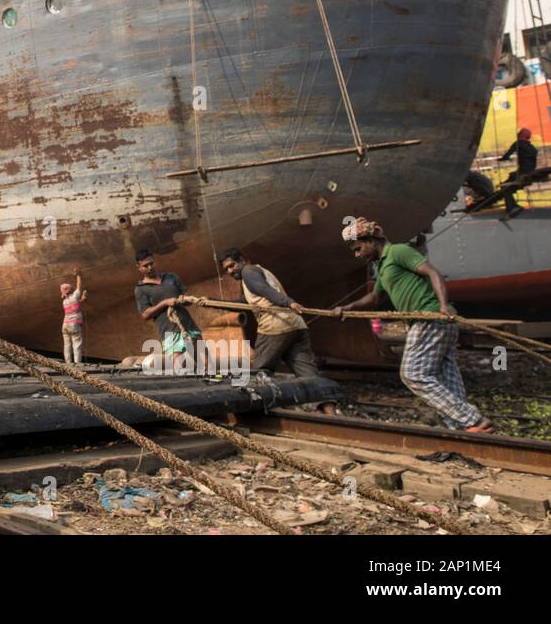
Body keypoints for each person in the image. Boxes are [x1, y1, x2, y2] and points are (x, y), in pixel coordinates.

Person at [335, 218, 493, 433]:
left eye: (358, 247)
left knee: (413, 375)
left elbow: (433, 273)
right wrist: (348, 307)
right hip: (436, 322)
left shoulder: (399, 251)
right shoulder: (381, 265)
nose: (357, 253)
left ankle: (473, 419)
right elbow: (375, 297)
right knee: (444, 379)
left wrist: (443, 305)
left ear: (371, 240)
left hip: (429, 318)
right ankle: (464, 428)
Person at [218, 247, 335, 414]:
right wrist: (209, 301)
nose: (230, 271)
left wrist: (288, 302)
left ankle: (263, 413)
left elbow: (264, 290)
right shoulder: (258, 272)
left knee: (259, 372)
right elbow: (242, 303)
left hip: (275, 326)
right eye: (226, 269)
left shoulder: (249, 272)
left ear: (242, 260)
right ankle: (331, 414)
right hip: (296, 325)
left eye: (232, 265)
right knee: (309, 374)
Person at [133, 249, 201, 370]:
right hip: (169, 332)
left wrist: (183, 299)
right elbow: (145, 314)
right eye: (145, 266)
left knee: (205, 363)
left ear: (155, 262)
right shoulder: (141, 289)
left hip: (189, 326)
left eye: (151, 263)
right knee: (179, 367)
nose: (150, 267)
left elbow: (186, 297)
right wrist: (164, 303)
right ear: (138, 267)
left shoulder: (171, 277)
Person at [499, 128, 538, 216]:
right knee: (509, 186)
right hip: (530, 173)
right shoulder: (532, 148)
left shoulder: (518, 144)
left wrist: (501, 159)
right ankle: (514, 205)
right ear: (528, 137)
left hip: (522, 173)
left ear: (520, 135)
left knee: (505, 187)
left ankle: (511, 208)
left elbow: (507, 156)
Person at [59, 273, 86, 365]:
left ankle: (68, 363)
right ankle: (77, 364)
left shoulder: (64, 301)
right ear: (71, 290)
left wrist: (82, 299)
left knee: (67, 345)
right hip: (74, 324)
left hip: (65, 324)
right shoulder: (74, 297)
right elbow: (79, 286)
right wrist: (78, 275)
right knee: (77, 344)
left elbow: (75, 305)